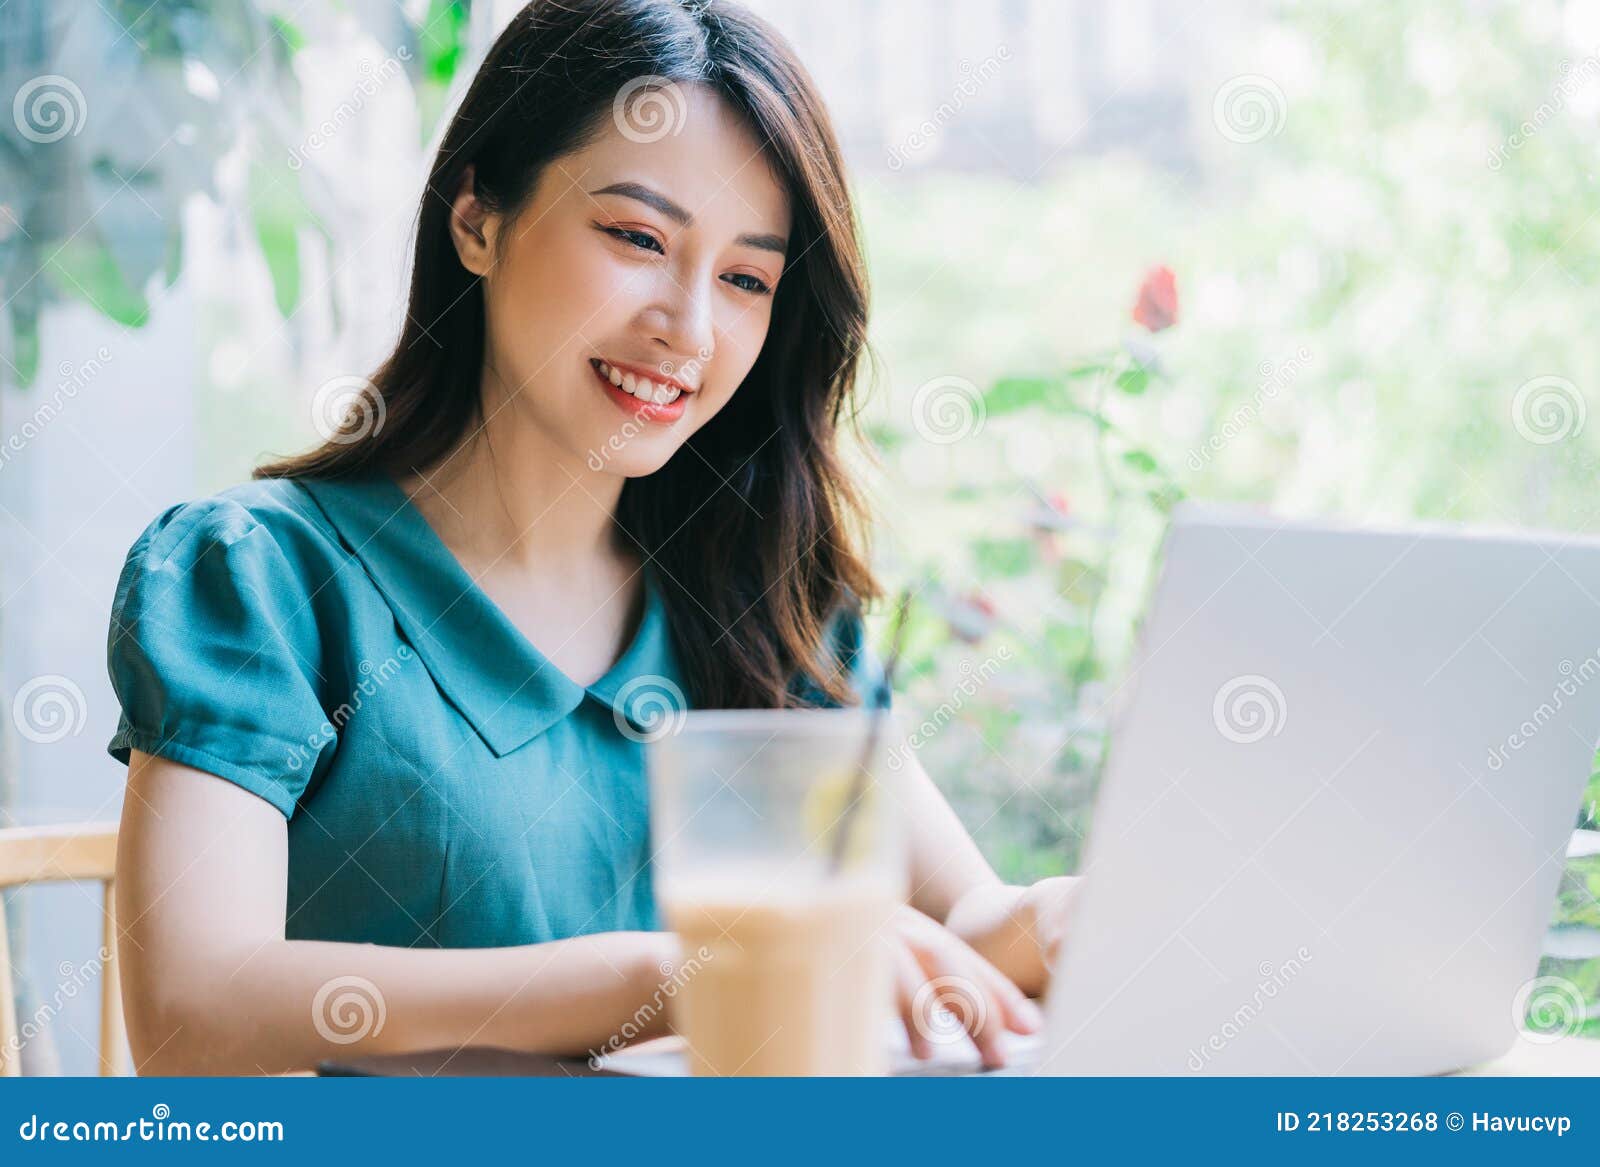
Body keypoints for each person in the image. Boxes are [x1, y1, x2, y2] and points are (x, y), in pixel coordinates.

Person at [106, 0, 1077, 1076]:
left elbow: (962, 923)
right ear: (477, 220)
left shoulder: (763, 597)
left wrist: (1059, 918)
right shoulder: (262, 577)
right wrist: (666, 978)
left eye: (746, 279)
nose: (689, 329)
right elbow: (191, 1009)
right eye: (637, 238)